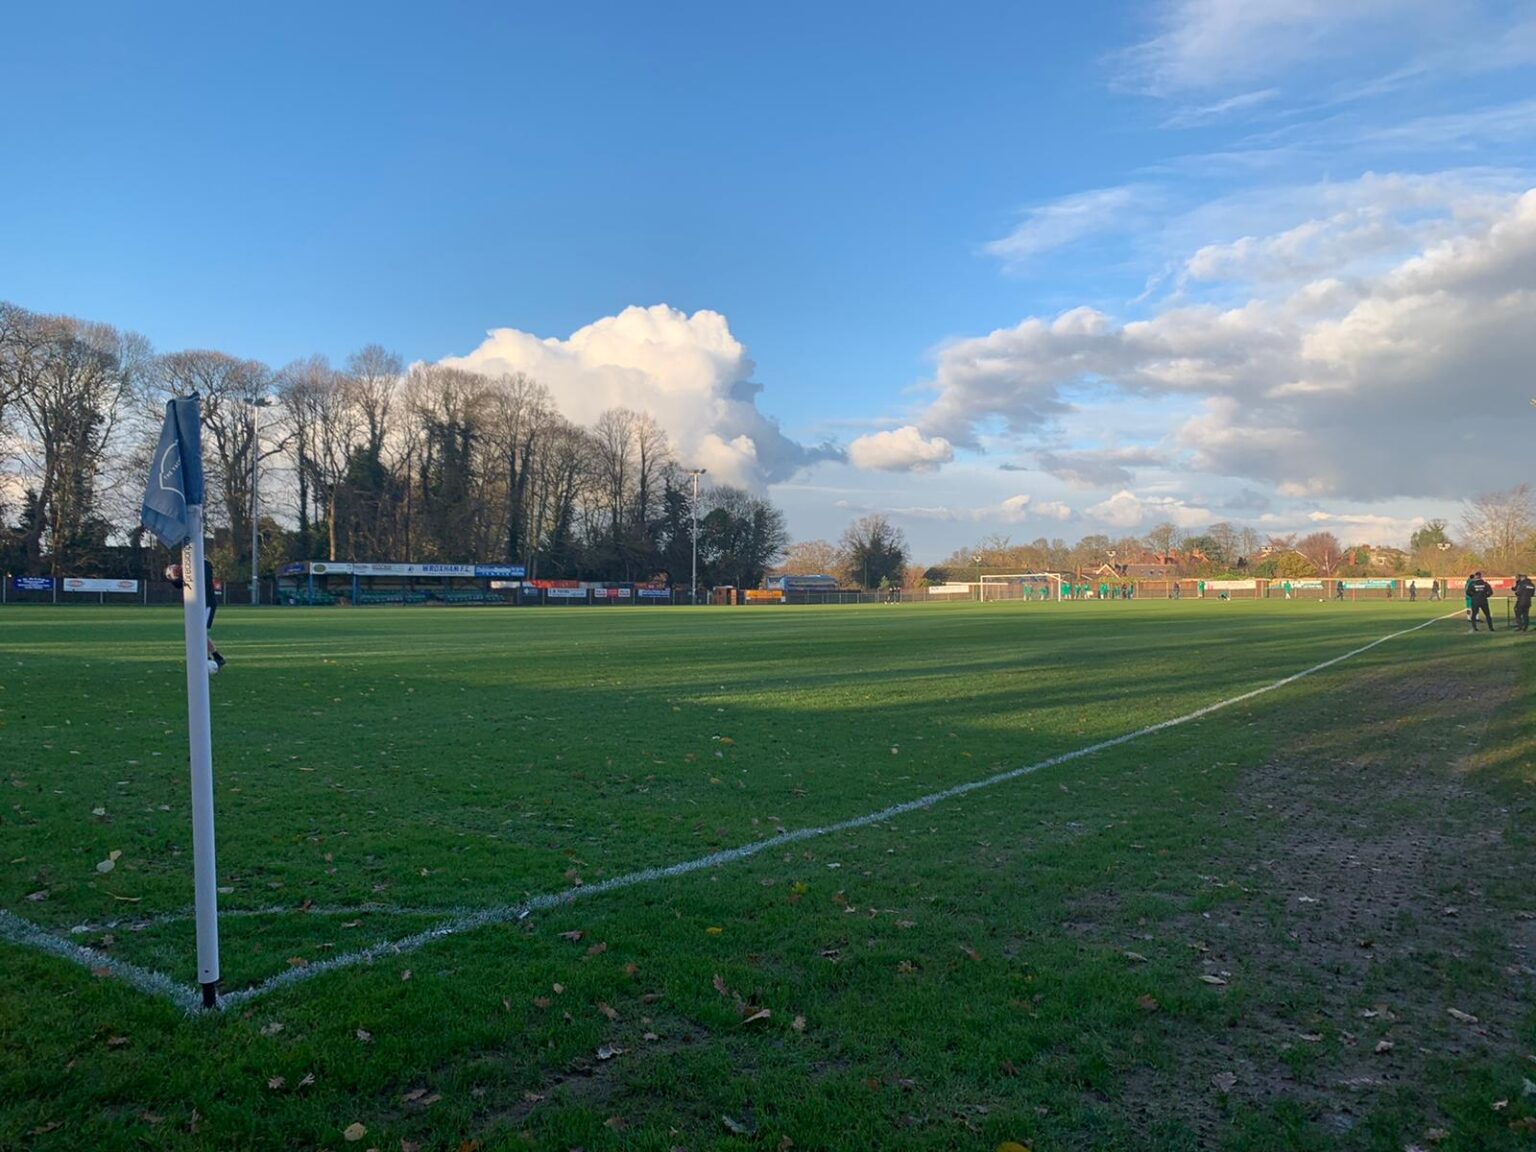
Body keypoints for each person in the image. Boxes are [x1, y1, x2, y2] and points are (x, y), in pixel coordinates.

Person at [166, 559, 225, 668]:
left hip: (207, 603)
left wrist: (185, 573)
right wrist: (174, 578)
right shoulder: (188, 568)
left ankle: (216, 658)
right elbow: (179, 585)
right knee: (199, 633)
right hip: (197, 606)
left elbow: (203, 579)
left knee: (200, 632)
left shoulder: (204, 564)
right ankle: (209, 659)